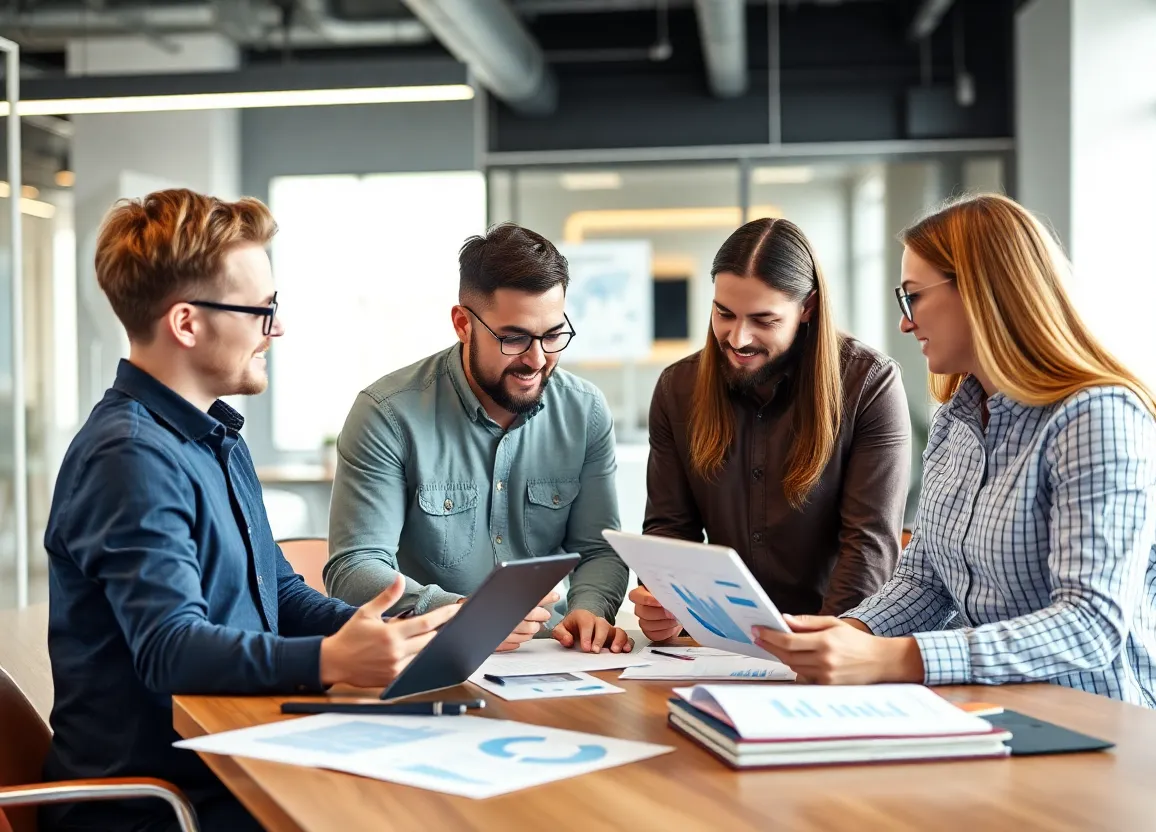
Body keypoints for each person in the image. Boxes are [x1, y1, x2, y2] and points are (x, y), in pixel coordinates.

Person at [41, 189, 458, 832]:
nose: (278, 328)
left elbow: (278, 592)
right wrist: (331, 662)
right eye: (261, 310)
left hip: (235, 755)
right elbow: (170, 649)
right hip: (158, 805)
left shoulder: (215, 436)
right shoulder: (128, 457)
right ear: (187, 323)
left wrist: (387, 637)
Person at [754, 194, 1156, 715]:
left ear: (984, 293)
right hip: (991, 714)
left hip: (1111, 733)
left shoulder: (1099, 418)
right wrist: (849, 632)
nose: (906, 322)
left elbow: (1089, 626)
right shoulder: (956, 422)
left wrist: (895, 659)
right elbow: (926, 579)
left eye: (913, 296)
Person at [325, 223, 632, 654]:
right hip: (432, 650)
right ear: (462, 324)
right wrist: (460, 613)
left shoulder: (585, 411)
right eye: (514, 338)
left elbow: (598, 550)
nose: (537, 359)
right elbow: (354, 568)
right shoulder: (388, 413)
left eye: (552, 335)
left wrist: (592, 609)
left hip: (549, 658)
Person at [630, 218, 912, 642]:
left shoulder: (868, 384)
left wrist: (820, 645)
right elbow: (670, 530)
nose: (738, 337)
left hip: (833, 639)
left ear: (808, 308)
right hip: (717, 644)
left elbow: (868, 546)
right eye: (724, 313)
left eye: (763, 320)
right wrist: (666, 603)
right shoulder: (678, 388)